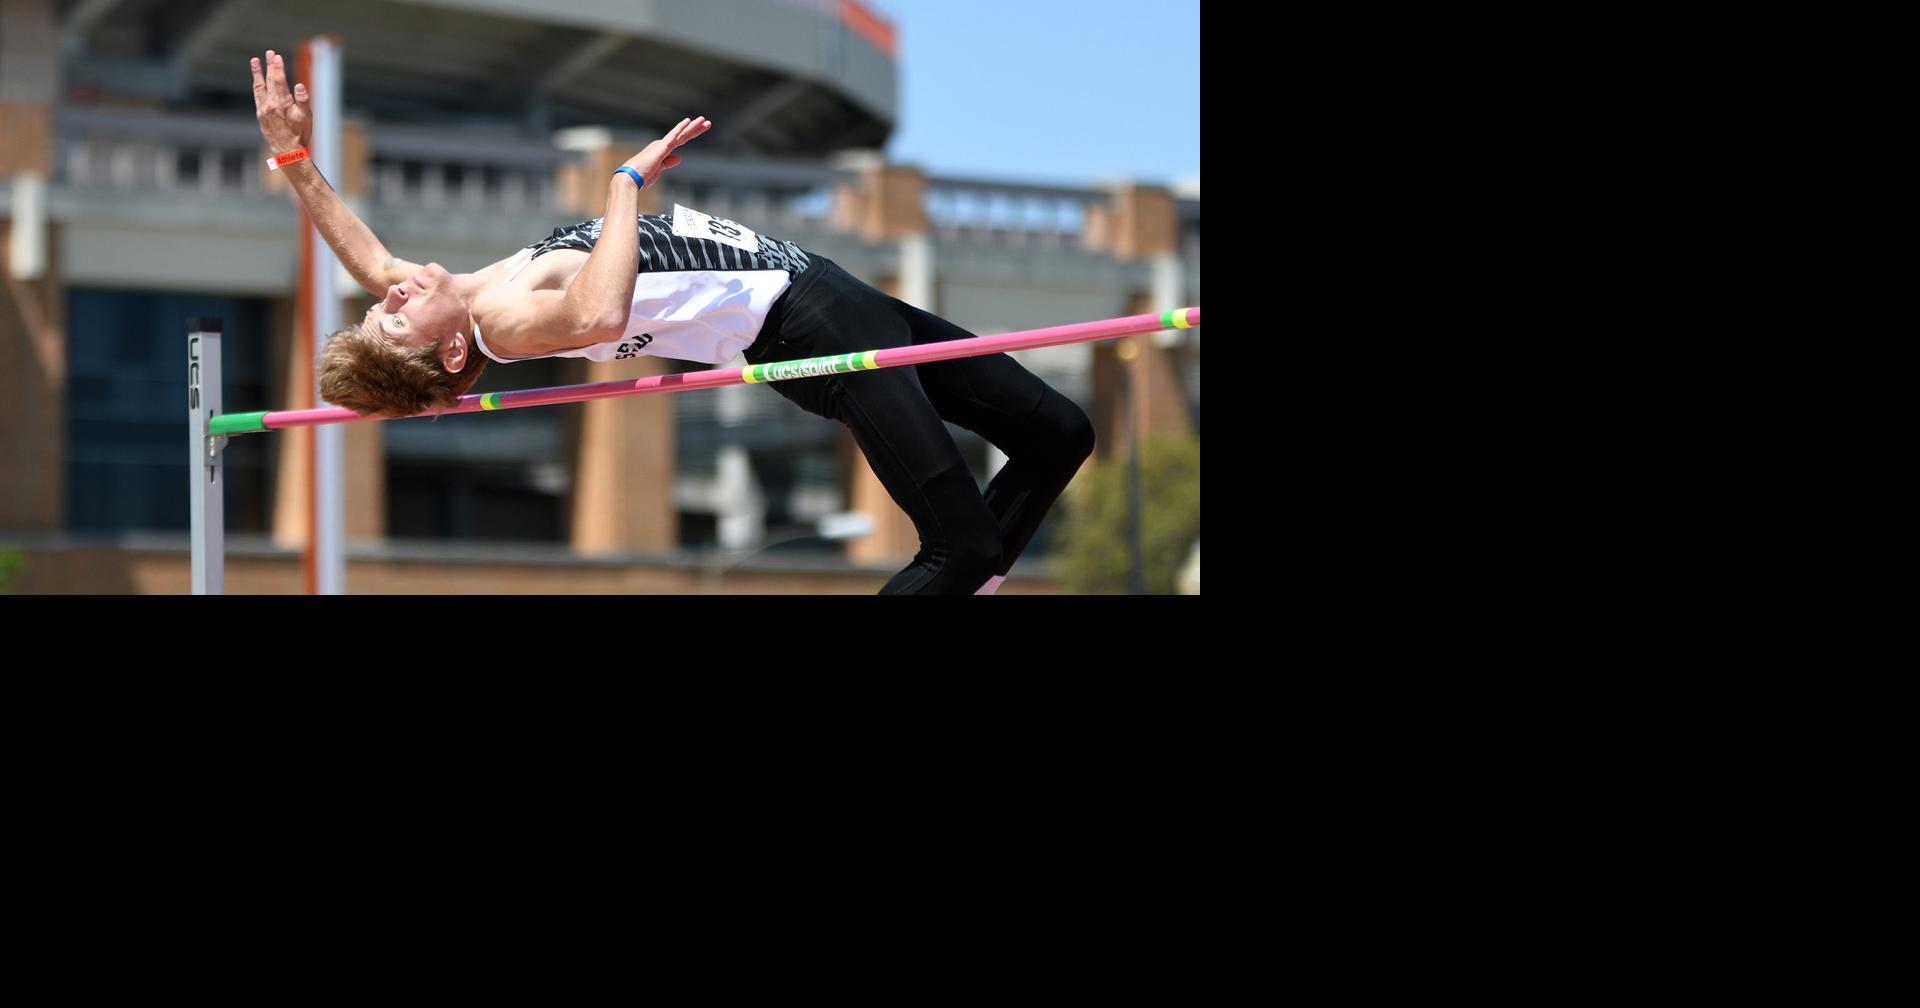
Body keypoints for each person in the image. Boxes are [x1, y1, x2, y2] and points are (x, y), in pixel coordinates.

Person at [249, 49, 1093, 595]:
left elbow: (368, 259)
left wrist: (294, 158)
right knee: (958, 544)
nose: (391, 295)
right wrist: (623, 185)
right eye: (395, 319)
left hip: (832, 291)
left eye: (383, 307)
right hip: (811, 332)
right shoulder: (505, 320)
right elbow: (598, 310)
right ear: (453, 347)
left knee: (1058, 431)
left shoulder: (471, 292)